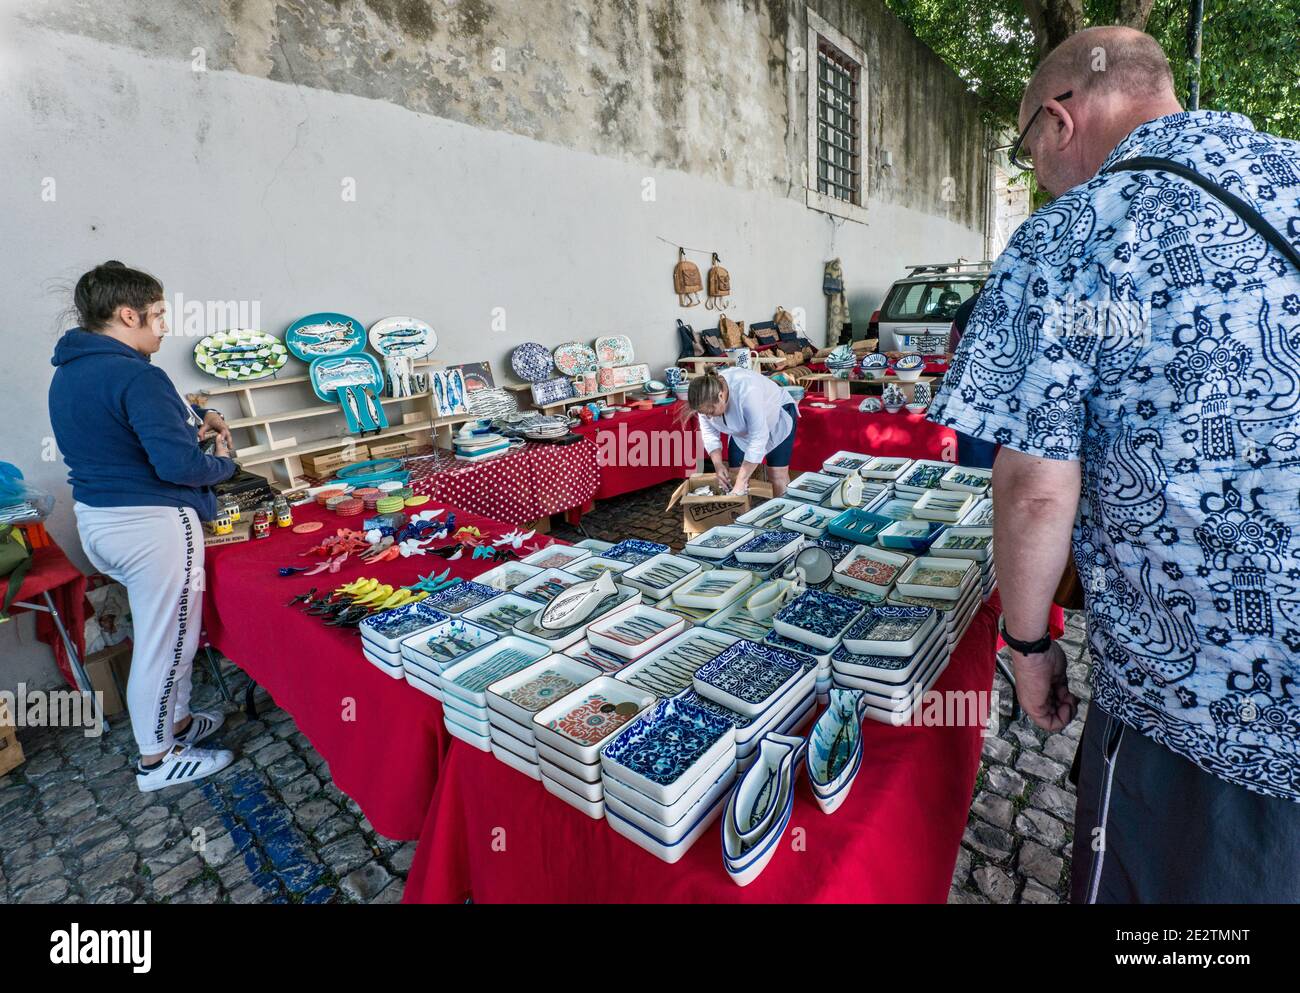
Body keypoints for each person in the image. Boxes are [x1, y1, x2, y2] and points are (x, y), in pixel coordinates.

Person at [931, 26, 1300, 902]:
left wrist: (1029, 647)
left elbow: (1033, 491)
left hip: (1197, 718)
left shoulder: (1072, 238)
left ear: (1058, 120)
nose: (1035, 175)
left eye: (1028, 151)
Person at [49, 261, 239, 792]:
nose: (164, 326)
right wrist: (225, 464)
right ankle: (156, 759)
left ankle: (175, 726)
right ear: (127, 313)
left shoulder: (69, 372)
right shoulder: (138, 374)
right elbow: (178, 466)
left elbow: (125, 442)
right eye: (157, 314)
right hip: (149, 522)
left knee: (164, 632)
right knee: (169, 641)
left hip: (101, 521)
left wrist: (190, 426)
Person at [688, 365, 799, 497]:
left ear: (721, 395)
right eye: (704, 413)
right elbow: (709, 434)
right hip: (743, 430)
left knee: (776, 473)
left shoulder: (747, 391)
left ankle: (783, 513)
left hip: (776, 416)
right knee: (735, 474)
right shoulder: (704, 399)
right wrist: (718, 465)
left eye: (711, 412)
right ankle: (742, 512)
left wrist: (741, 483)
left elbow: (758, 438)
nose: (709, 417)